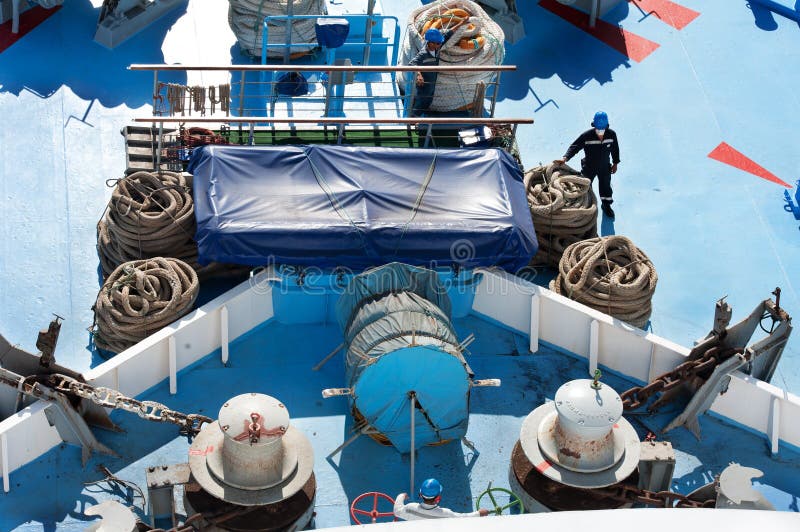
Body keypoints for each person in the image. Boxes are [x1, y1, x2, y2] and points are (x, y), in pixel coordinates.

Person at [554, 111, 620, 219]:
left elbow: (615, 149)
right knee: (584, 186)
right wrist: (565, 158)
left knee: (606, 187)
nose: (600, 132)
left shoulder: (612, 135)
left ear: (607, 126)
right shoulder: (587, 136)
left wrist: (615, 163)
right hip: (589, 167)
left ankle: (606, 205)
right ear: (594, 125)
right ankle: (582, 205)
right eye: (598, 129)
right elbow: (575, 146)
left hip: (604, 167)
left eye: (602, 129)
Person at [407, 28, 454, 117]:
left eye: (440, 43)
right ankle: (413, 117)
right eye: (438, 43)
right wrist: (419, 75)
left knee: (429, 100)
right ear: (431, 43)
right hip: (424, 84)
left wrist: (462, 22)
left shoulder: (437, 48)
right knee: (422, 100)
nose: (440, 45)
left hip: (432, 82)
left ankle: (420, 114)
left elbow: (447, 35)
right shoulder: (423, 54)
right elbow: (412, 64)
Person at [394, 478, 490, 520]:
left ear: (420, 494)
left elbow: (397, 511)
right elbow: (463, 517)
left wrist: (401, 496)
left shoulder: (410, 507)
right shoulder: (445, 513)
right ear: (438, 498)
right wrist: (479, 513)